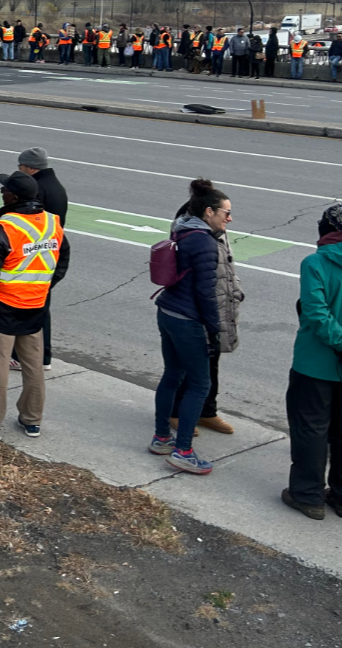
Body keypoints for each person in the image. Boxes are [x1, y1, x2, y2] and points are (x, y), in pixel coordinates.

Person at [0, 172, 68, 442]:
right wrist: (43, 286)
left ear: (13, 197)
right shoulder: (52, 222)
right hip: (36, 304)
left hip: (2, 305)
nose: (1, 192)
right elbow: (62, 261)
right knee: (33, 365)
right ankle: (32, 420)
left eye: (4, 190)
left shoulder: (1, 228)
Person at [148, 179, 235, 475]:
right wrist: (214, 329)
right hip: (188, 320)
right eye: (226, 212)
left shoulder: (183, 230)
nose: (229, 218)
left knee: (172, 374)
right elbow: (206, 292)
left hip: (168, 311)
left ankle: (162, 437)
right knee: (200, 384)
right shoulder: (205, 242)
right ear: (209, 212)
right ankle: (183, 451)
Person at [282, 201, 342, 520]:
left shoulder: (316, 262)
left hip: (315, 363)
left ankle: (307, 495)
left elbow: (315, 311)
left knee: (311, 427)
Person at [10, 147, 66, 369]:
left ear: (31, 168)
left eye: (21, 166)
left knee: (26, 307)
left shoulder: (37, 189)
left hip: (34, 256)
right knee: (42, 307)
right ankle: (44, 356)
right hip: (49, 255)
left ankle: (22, 356)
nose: (19, 170)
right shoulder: (56, 187)